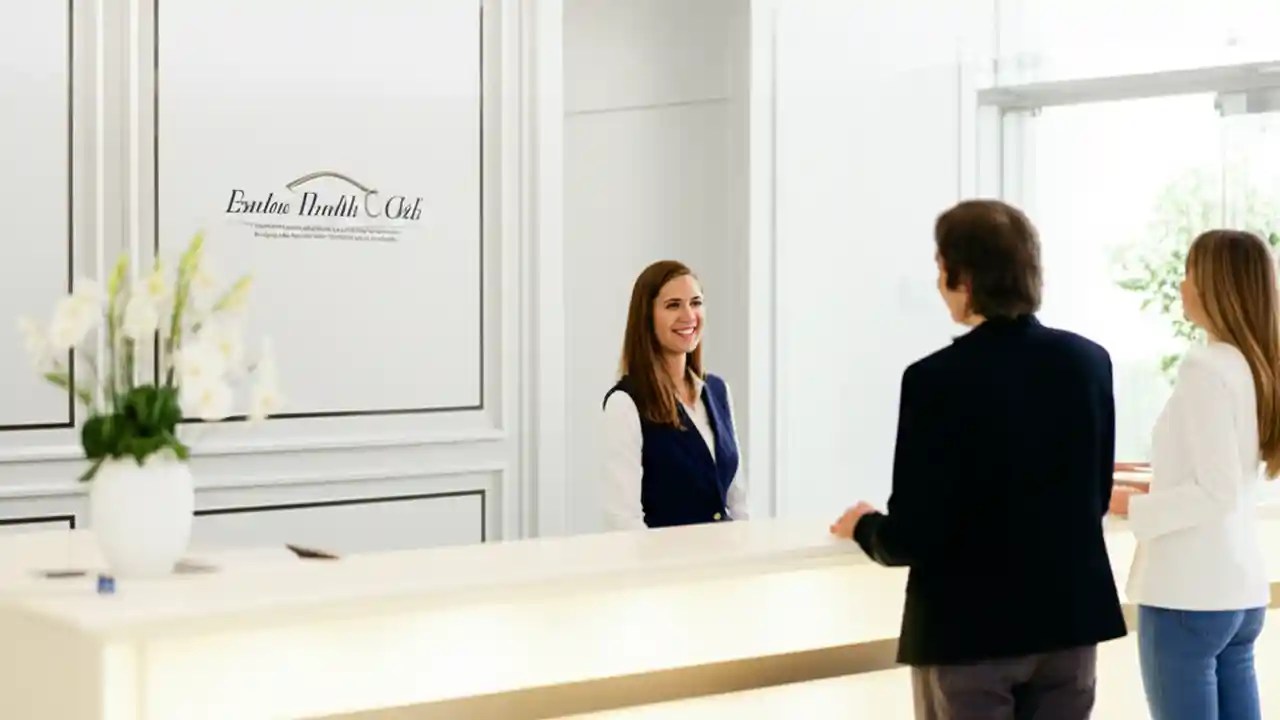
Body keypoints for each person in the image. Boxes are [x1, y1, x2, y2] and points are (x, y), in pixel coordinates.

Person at [830, 200, 1127, 719]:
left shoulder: (935, 380)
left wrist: (864, 527)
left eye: (940, 266)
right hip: (1070, 627)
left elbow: (914, 535)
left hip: (969, 636)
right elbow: (1093, 497)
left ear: (961, 276)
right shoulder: (1088, 363)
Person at [1110, 230, 1275, 720]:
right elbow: (1224, 472)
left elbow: (1214, 491)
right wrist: (1138, 477)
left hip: (1188, 594)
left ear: (1212, 286)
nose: (1180, 287)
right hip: (1239, 595)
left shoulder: (1204, 366)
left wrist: (1120, 502)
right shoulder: (1255, 367)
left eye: (1188, 275)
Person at [601, 260, 748, 530]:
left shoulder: (718, 391)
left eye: (696, 302)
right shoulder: (626, 403)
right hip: (665, 567)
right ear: (647, 317)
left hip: (724, 562)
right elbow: (623, 521)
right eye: (673, 305)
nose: (689, 315)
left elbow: (737, 502)